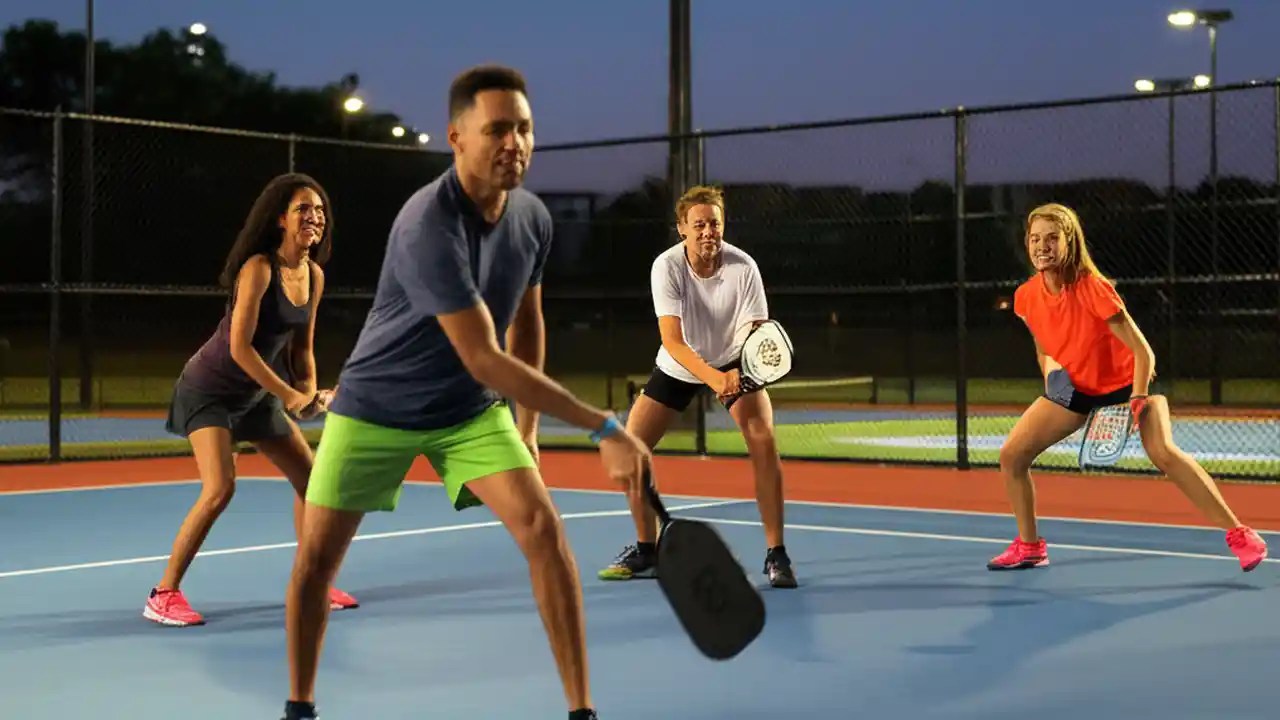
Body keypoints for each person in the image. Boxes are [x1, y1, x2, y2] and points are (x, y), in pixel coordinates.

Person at [279, 65, 649, 720]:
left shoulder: (532, 217)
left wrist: (528, 428)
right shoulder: (428, 223)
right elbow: (483, 356)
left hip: (469, 415)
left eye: (526, 129)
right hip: (376, 408)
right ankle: (300, 706)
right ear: (457, 137)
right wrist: (602, 426)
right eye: (498, 129)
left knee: (544, 531)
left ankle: (581, 710)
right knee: (315, 561)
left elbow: (525, 327)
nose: (516, 143)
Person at [988, 202, 1268, 571]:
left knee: (1163, 452)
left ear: (1069, 242)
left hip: (1128, 382)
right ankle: (1029, 548)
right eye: (1035, 238)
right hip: (1076, 388)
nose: (1042, 246)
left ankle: (1240, 535)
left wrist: (1136, 398)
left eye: (1052, 239)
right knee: (1012, 456)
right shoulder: (1025, 298)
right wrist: (1053, 377)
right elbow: (1045, 345)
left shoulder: (1093, 288)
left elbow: (1144, 353)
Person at [146, 173, 358, 627]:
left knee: (314, 483)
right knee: (221, 487)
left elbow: (303, 350)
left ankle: (311, 582)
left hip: (257, 394)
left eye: (319, 210)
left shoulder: (313, 275)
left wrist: (307, 395)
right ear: (281, 219)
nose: (314, 217)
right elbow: (241, 348)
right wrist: (288, 396)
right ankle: (163, 593)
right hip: (210, 389)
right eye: (303, 209)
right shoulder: (259, 268)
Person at [597, 185, 798, 589]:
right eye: (699, 224)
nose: (708, 232)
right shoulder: (666, 267)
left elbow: (756, 330)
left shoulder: (744, 268)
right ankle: (646, 549)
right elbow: (673, 341)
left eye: (715, 224)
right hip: (679, 364)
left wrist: (739, 372)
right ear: (682, 229)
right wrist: (714, 378)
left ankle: (777, 555)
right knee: (631, 449)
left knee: (763, 440)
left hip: (734, 360)